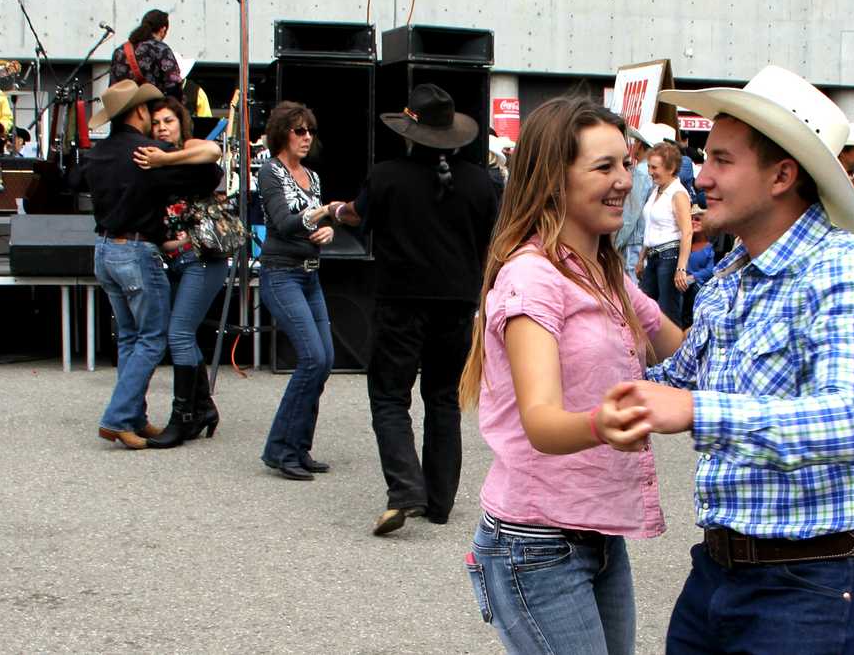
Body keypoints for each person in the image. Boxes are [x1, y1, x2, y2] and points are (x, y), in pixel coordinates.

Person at [607, 65, 854, 654]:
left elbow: (850, 419)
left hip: (810, 590)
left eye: (722, 160)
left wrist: (695, 410)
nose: (703, 177)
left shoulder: (843, 273)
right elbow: (672, 379)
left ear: (782, 175)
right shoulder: (734, 274)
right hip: (719, 571)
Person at [458, 96, 683, 655]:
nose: (624, 180)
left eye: (625, 163)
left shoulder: (605, 275)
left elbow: (685, 351)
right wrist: (600, 424)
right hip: (535, 543)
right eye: (603, 167)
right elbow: (541, 421)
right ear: (553, 180)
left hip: (597, 535)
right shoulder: (532, 277)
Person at [333, 84, 498, 533]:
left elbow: (358, 215)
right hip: (457, 302)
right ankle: (440, 501)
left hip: (400, 301)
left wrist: (337, 212)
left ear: (410, 132)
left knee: (390, 396)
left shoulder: (386, 175)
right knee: (443, 398)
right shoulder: (481, 182)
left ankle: (406, 489)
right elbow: (492, 239)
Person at [86, 80, 223, 450]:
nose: (155, 121)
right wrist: (166, 158)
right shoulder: (146, 153)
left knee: (129, 337)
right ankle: (117, 419)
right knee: (151, 339)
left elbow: (73, 180)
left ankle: (133, 416)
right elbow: (211, 171)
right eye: (149, 111)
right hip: (135, 251)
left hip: (103, 249)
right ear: (138, 112)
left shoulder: (98, 153)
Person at [125, 97, 226, 448]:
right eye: (155, 123)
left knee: (179, 333)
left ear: (180, 122)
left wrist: (164, 159)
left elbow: (213, 151)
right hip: (175, 259)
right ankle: (204, 408)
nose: (162, 128)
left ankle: (182, 417)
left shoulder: (188, 147)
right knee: (182, 333)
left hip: (203, 256)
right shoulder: (148, 157)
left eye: (168, 120)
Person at [256, 101, 339, 480]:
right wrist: (323, 213)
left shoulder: (313, 177)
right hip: (281, 273)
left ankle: (299, 447)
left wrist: (327, 230)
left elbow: (312, 227)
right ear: (282, 133)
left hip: (309, 274)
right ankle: (280, 449)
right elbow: (284, 222)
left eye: (310, 131)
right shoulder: (270, 171)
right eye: (299, 131)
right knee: (311, 358)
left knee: (325, 360)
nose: (307, 137)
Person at [636, 141, 692, 326]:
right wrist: (641, 258)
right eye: (649, 167)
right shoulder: (657, 191)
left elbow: (687, 232)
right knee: (644, 309)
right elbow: (650, 228)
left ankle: (673, 344)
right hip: (654, 256)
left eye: (654, 167)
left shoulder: (678, 194)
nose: (650, 172)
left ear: (671, 168)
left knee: (668, 312)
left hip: (670, 256)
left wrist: (681, 267)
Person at [615, 123, 669, 280]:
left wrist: (616, 244)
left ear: (640, 145)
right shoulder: (660, 174)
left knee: (631, 284)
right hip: (649, 240)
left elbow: (631, 213)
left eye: (636, 142)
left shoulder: (641, 173)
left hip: (634, 241)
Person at [109, 9, 183, 100]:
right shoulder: (161, 49)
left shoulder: (120, 51)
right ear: (163, 29)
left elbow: (113, 87)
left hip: (125, 106)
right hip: (152, 106)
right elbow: (174, 84)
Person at [680, 204, 714, 328]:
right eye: (691, 219)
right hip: (680, 287)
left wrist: (692, 277)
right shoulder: (684, 243)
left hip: (698, 289)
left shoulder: (711, 247)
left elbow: (711, 270)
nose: (693, 222)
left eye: (697, 219)